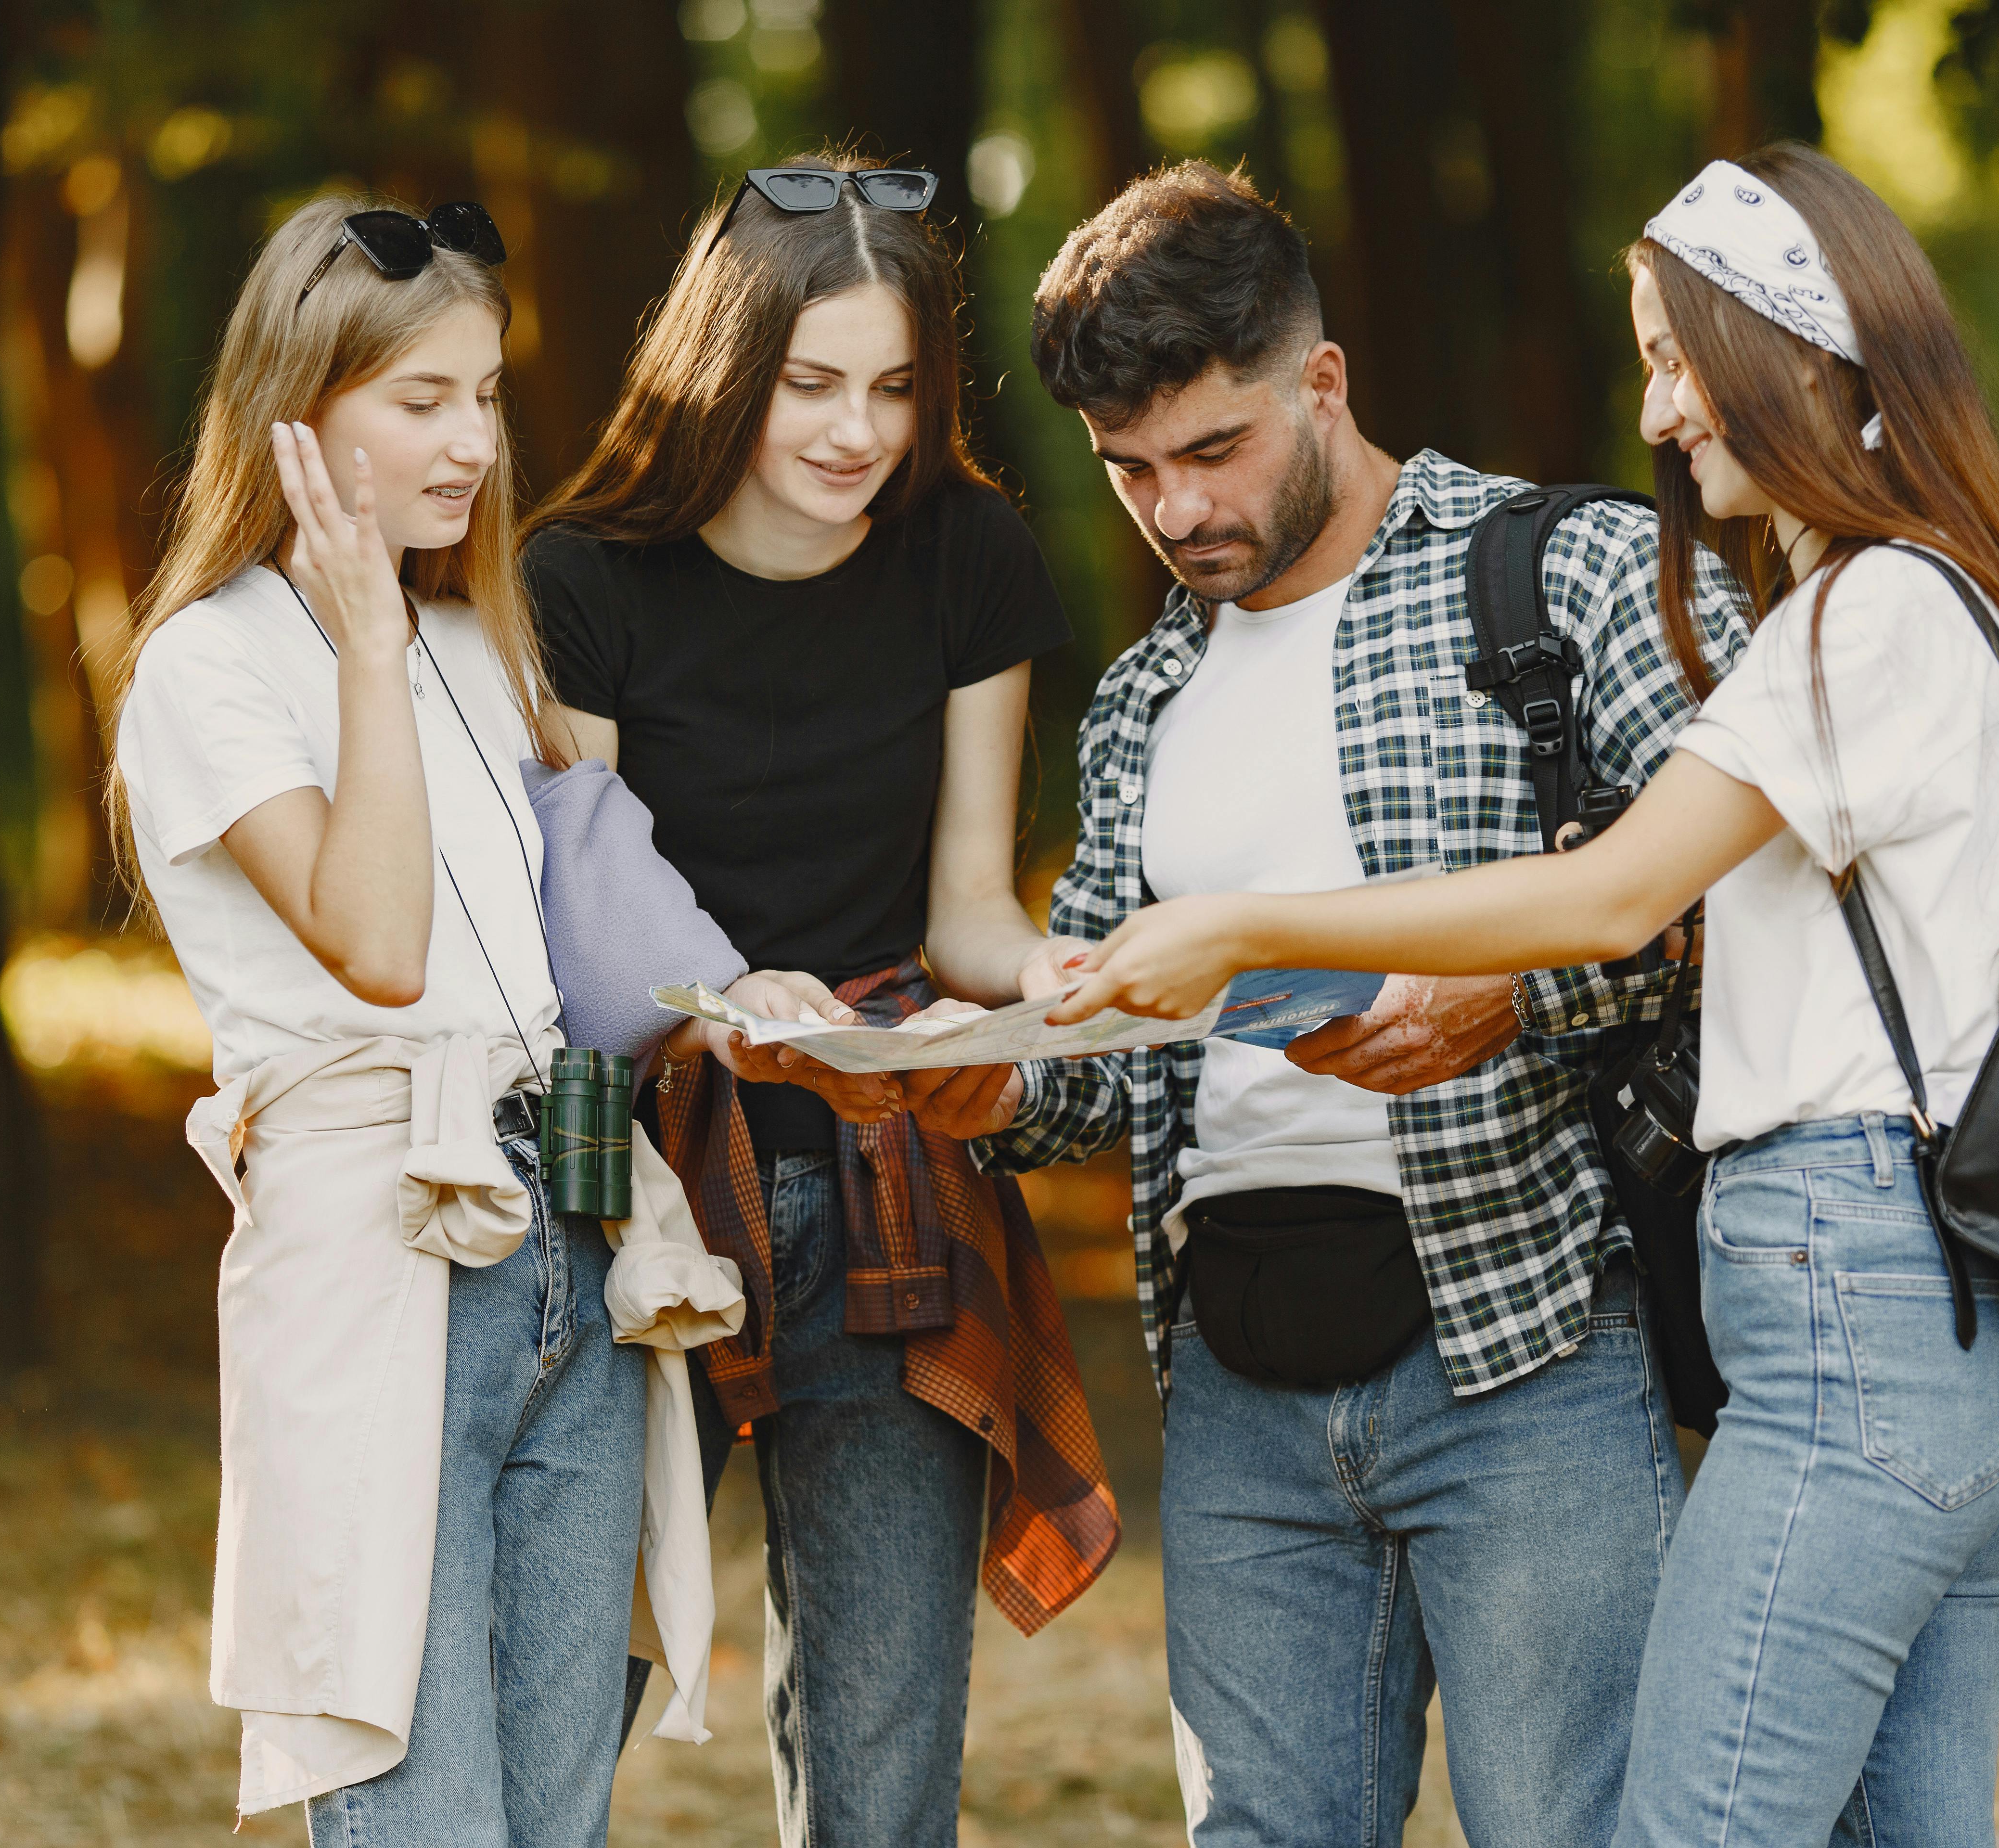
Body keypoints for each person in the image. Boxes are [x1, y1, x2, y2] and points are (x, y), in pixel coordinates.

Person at [1050, 144, 1999, 1846]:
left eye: (1681, 360)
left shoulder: (1861, 616)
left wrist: (1247, 923)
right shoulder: (1898, 602)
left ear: (1800, 356)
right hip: (1919, 1304)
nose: (1661, 413)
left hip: (1836, 1293)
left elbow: (1621, 895)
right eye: (1650, 364)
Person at [905, 162, 1743, 1848]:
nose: (1177, 510)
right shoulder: (1142, 698)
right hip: (1236, 1377)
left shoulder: (1567, 577)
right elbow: (1108, 1062)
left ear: (1325, 380)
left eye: (1215, 450)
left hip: (1525, 1346)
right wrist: (980, 1083)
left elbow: (1781, 883)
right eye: (1130, 471)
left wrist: (1515, 997)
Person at [102, 193, 834, 1846]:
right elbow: (372, 941)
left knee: (559, 1806)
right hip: (378, 1252)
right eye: (419, 401)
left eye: (486, 395)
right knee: (427, 1809)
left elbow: (580, 932)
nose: (471, 443)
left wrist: (729, 998)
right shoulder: (207, 670)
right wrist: (364, 647)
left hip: (569, 1228)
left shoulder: (469, 640)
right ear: (299, 414)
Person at [523, 151, 1119, 1847]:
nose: (858, 431)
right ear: (724, 369)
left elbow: (967, 917)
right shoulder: (585, 580)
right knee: (565, 1704)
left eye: (896, 388)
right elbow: (581, 924)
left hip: (883, 1192)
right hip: (637, 1202)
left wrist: (1051, 979)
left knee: (883, 1763)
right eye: (811, 385)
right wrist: (718, 993)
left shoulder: (968, 557)